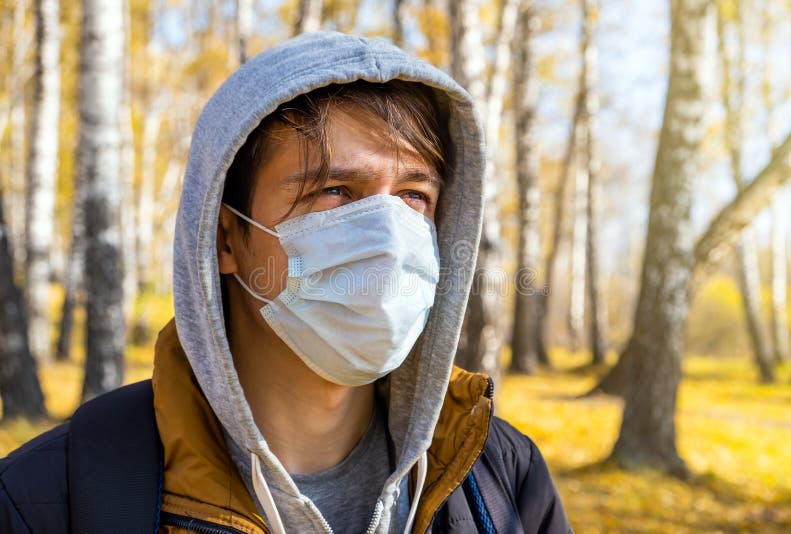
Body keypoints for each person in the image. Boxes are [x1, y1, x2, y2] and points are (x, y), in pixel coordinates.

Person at [0, 32, 571, 533]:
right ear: (225, 239)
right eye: (335, 191)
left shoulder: (499, 477)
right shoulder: (49, 499)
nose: (390, 238)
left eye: (413, 197)